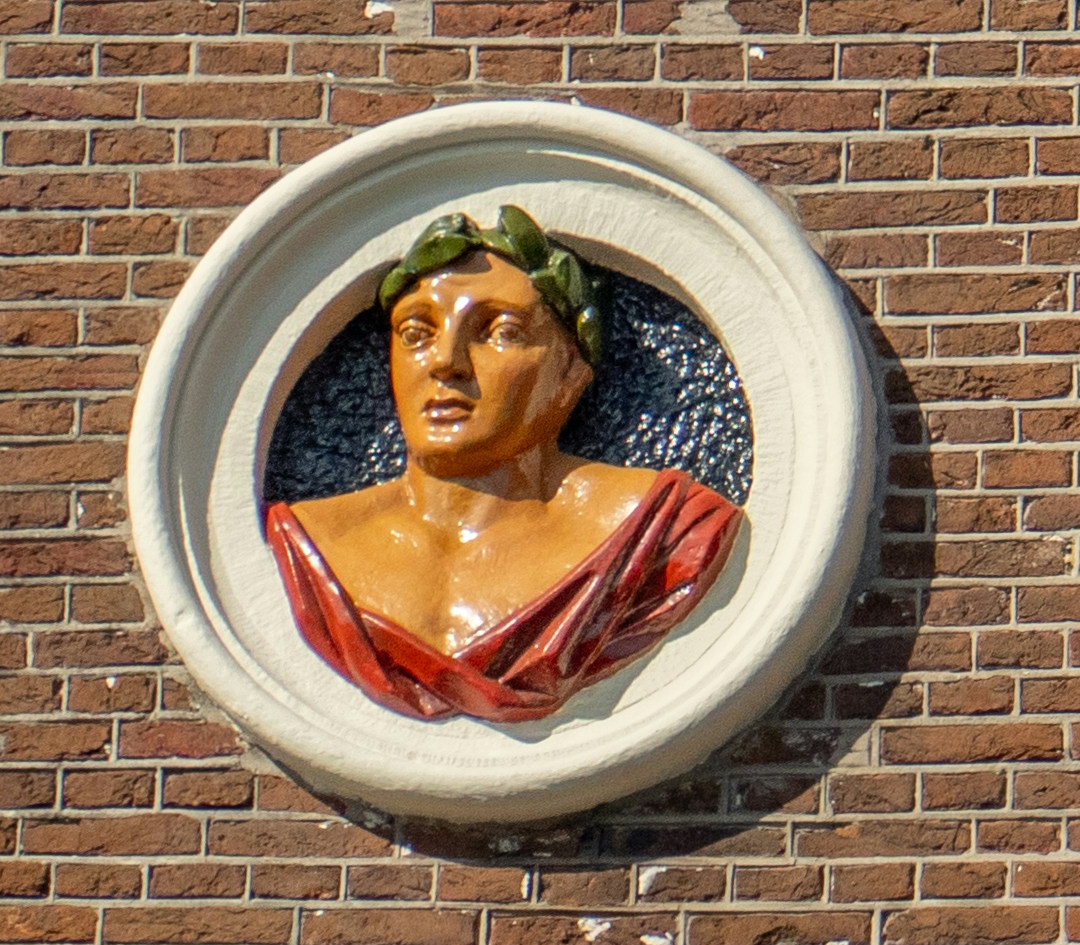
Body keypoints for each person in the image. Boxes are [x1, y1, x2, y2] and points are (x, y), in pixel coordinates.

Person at [265, 206, 738, 726]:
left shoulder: (661, 531)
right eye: (417, 332)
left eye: (501, 331)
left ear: (570, 376)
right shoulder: (310, 540)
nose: (446, 360)